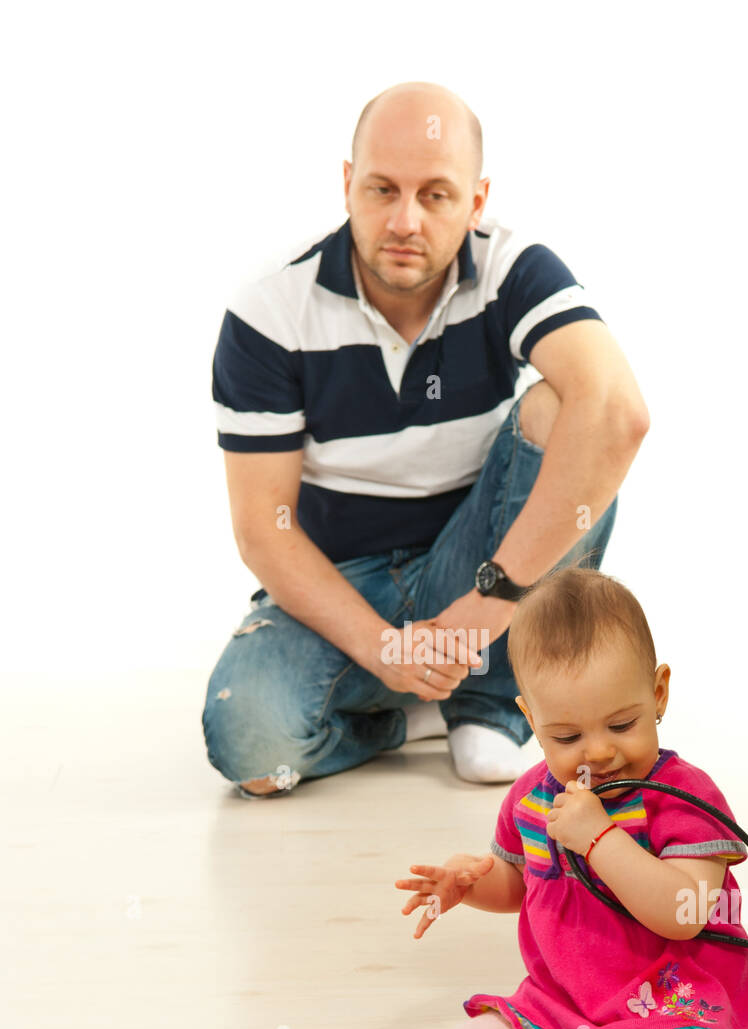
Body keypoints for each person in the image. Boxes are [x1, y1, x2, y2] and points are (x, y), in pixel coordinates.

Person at [257, 567, 748, 1029]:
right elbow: (521, 884)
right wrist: (471, 884)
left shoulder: (684, 796)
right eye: (566, 735)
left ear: (659, 692)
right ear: (530, 717)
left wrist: (599, 839)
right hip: (563, 1009)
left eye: (622, 725)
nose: (598, 753)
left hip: (675, 1008)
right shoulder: (533, 797)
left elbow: (684, 911)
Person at [203, 80, 650, 796]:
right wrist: (383, 647)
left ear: (476, 202)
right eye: (382, 189)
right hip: (343, 579)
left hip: (474, 563)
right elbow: (264, 527)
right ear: (348, 186)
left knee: (572, 409)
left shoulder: (512, 269)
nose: (404, 220)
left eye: (436, 195)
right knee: (253, 747)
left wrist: (488, 605)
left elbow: (618, 412)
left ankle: (487, 699)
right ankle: (410, 710)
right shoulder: (270, 312)